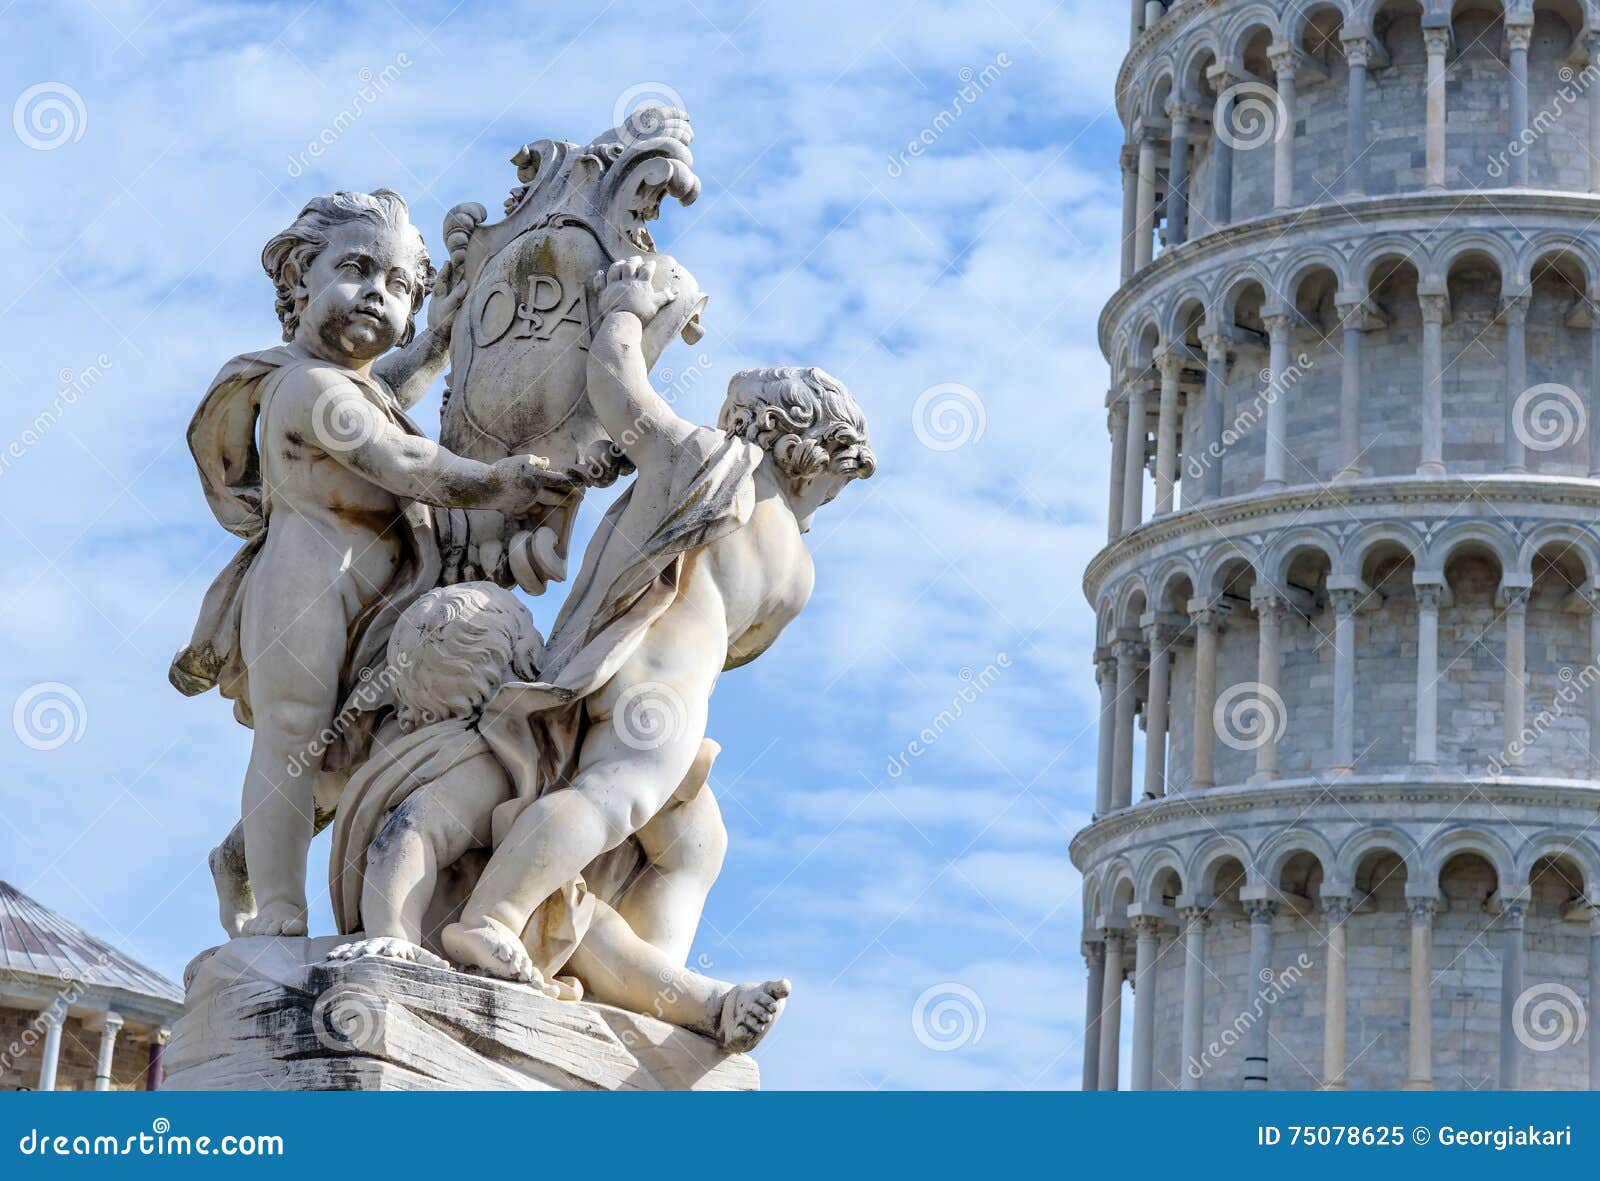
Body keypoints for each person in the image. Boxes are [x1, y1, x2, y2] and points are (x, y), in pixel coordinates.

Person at [436, 256, 877, 988]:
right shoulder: (794, 568)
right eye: (835, 479)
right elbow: (741, 648)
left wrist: (628, 313)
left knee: (696, 840)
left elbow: (617, 384)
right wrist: (625, 302)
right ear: (808, 455)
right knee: (612, 805)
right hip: (666, 698)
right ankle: (493, 915)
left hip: (627, 669)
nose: (830, 498)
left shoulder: (702, 460)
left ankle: (639, 986)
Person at [171, 189, 571, 937]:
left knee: (347, 749)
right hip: (306, 584)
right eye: (356, 270)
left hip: (388, 591)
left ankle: (242, 857)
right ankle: (281, 905)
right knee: (294, 732)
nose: (377, 297)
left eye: (399, 288)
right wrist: (498, 480)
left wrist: (445, 334)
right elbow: (401, 457)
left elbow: (394, 388)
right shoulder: (304, 385)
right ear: (298, 278)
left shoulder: (359, 385)